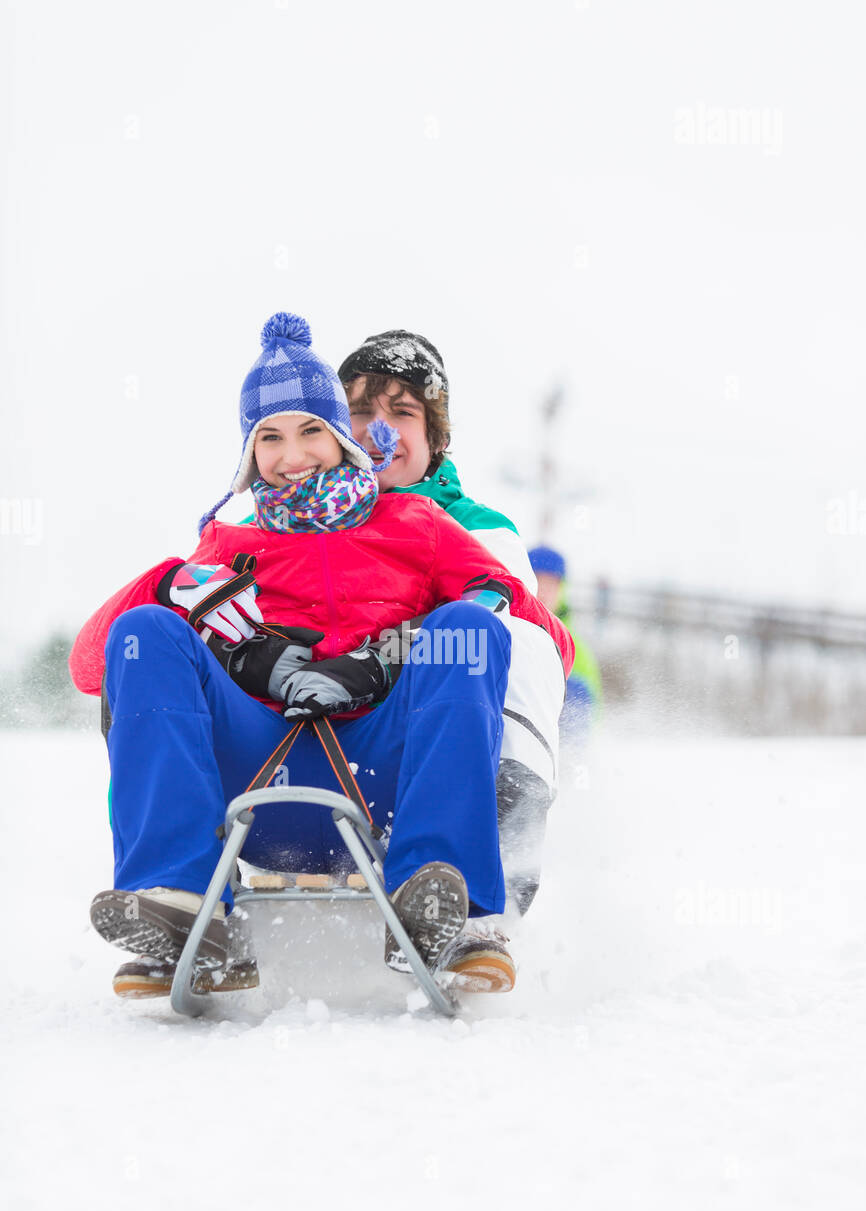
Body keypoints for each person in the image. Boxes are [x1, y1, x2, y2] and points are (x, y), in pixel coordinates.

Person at [69, 312, 574, 1000]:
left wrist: (387, 654)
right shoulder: (230, 540)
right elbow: (90, 664)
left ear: (340, 438)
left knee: (472, 631)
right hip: (262, 777)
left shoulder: (417, 525)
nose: (292, 453)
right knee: (146, 633)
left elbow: (518, 616)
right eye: (269, 437)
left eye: (311, 430)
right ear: (250, 455)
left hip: (381, 781)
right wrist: (170, 586)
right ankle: (185, 903)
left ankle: (443, 902)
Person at [338, 330, 566, 914]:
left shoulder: (477, 527)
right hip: (327, 743)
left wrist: (401, 642)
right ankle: (181, 884)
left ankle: (496, 862)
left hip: (440, 740)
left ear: (433, 437)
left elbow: (516, 609)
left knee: (507, 637)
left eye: (402, 412)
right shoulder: (302, 521)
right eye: (360, 411)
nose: (378, 428)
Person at [528, 545, 602, 739]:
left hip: (556, 743)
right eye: (537, 580)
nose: (543, 590)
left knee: (576, 689)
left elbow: (593, 712)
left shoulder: (578, 649)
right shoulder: (505, 628)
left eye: (551, 584)